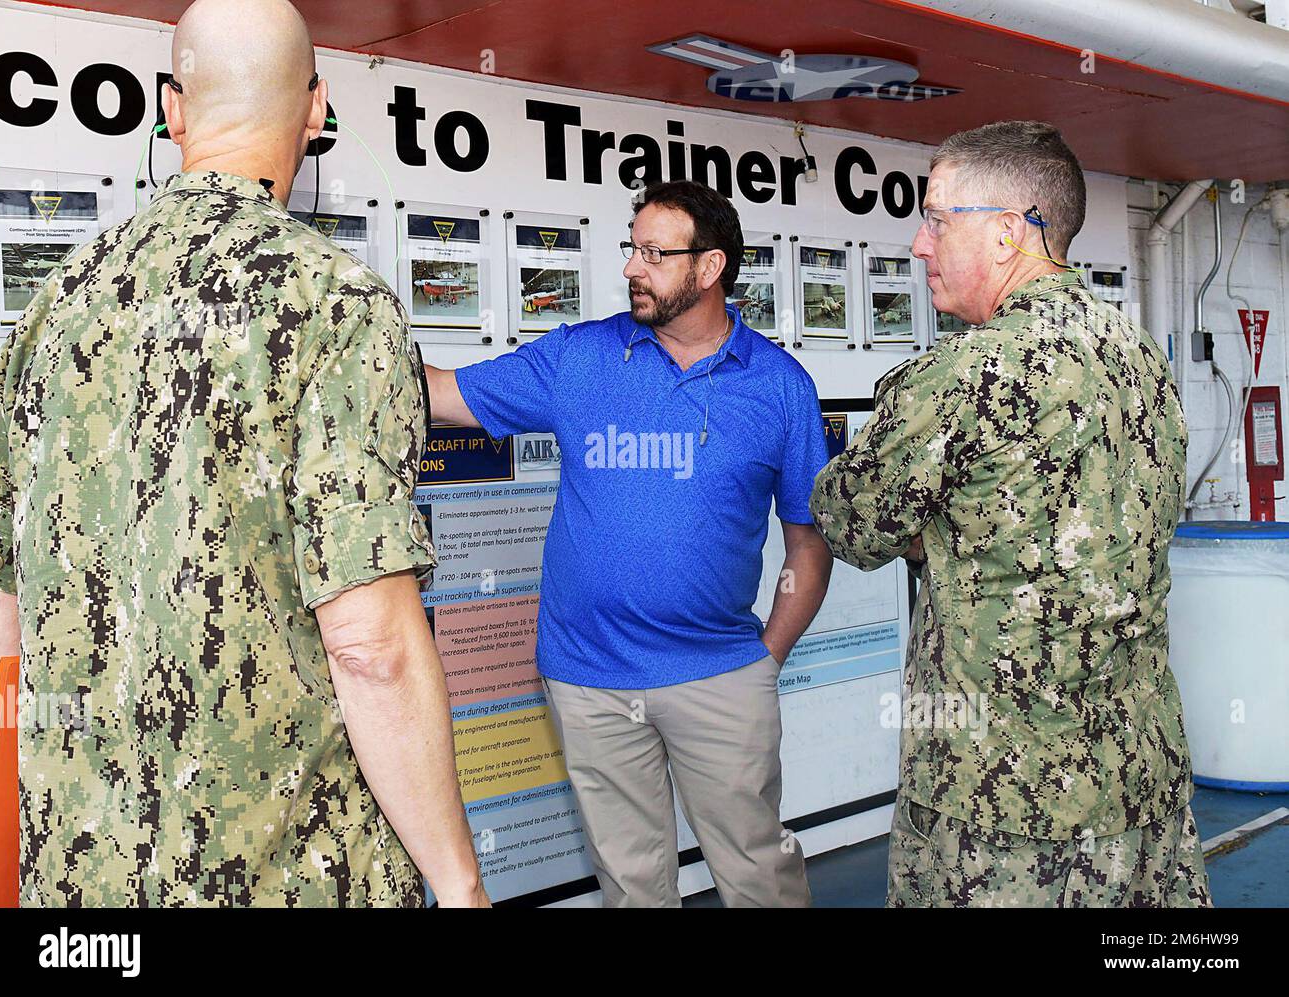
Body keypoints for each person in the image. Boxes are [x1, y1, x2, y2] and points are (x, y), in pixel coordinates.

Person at [0, 0, 487, 907]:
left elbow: (1, 606)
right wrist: (458, 880)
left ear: (173, 111)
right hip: (279, 868)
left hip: (79, 877)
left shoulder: (54, 303)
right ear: (316, 110)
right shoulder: (335, 303)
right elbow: (369, 640)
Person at [810, 120, 1210, 908]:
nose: (920, 245)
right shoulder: (1139, 356)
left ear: (1004, 233)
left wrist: (932, 536)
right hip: (1140, 783)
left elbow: (847, 517)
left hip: (1002, 812)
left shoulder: (964, 373)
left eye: (934, 218)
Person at [426, 180, 832, 907]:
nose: (631, 268)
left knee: (759, 872)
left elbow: (808, 543)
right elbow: (445, 395)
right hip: (589, 679)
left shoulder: (779, 387)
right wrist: (347, 340)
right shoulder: (580, 357)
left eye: (654, 253)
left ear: (709, 268)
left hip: (720, 674)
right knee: (632, 883)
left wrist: (765, 657)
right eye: (632, 248)